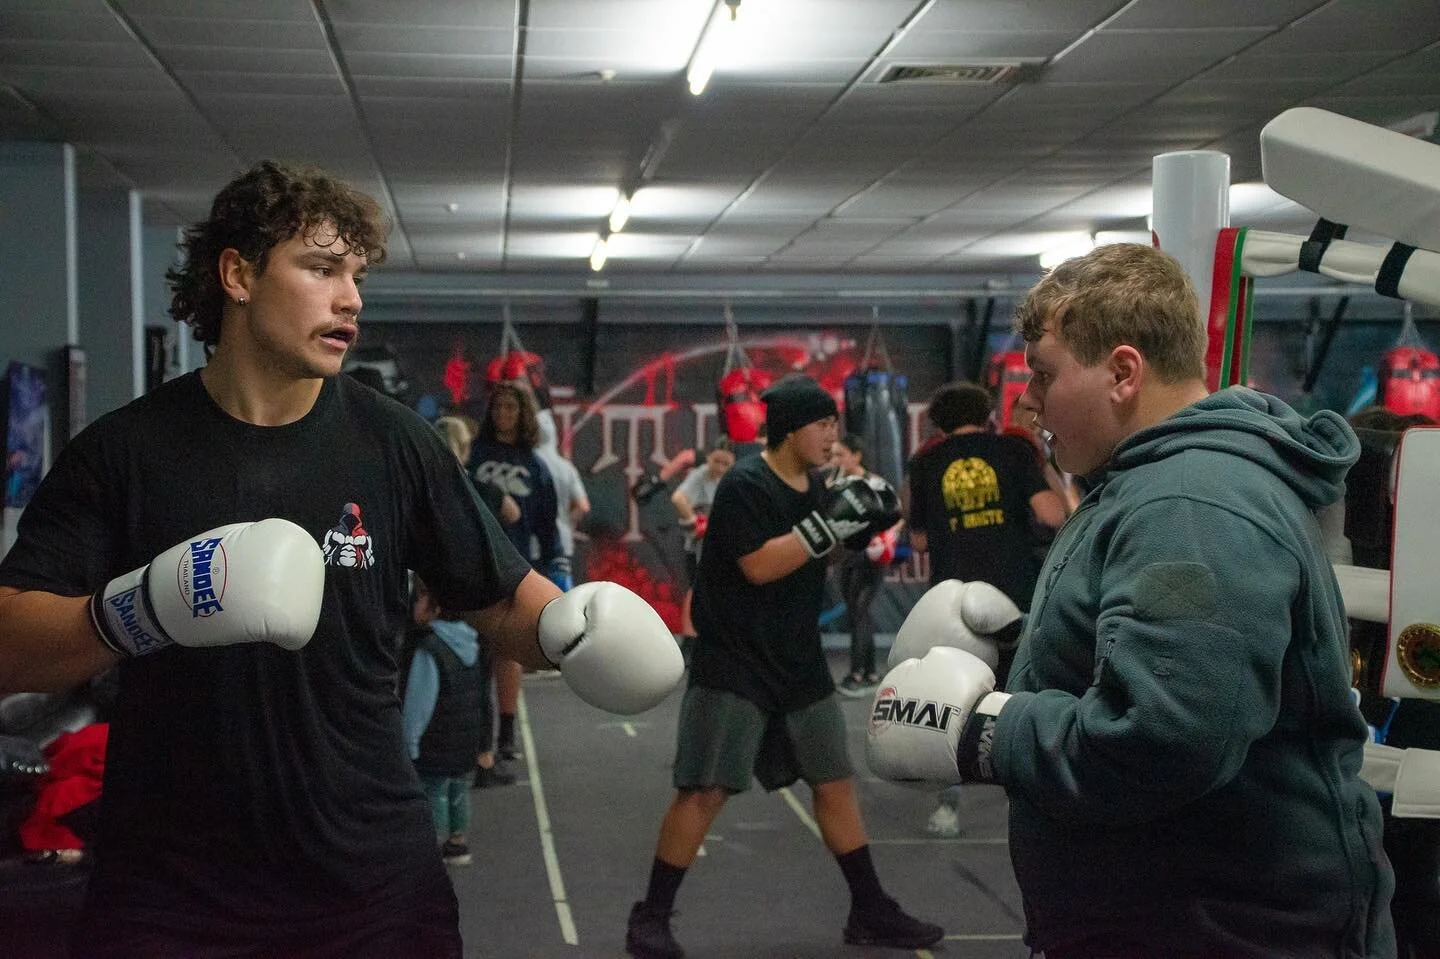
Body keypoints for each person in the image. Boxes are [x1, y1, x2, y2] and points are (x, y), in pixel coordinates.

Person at [0, 159, 682, 958]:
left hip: (371, 878)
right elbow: (12, 644)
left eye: (355, 274)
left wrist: (571, 630)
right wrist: (142, 607)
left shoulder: (394, 442)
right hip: (172, 885)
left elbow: (499, 596)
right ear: (239, 274)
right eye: (321, 268)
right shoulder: (123, 452)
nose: (350, 297)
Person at [867, 242, 1396, 958]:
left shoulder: (1190, 503)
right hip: (1169, 916)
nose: (1027, 400)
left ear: (1122, 372)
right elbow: (1164, 659)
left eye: (1044, 374)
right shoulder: (1149, 484)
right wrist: (1024, 653)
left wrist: (983, 728)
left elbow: (1168, 739)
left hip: (1224, 931)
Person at [625, 375, 942, 959]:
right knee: (704, 790)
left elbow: (827, 553)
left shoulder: (820, 486)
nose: (831, 436)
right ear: (793, 429)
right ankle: (651, 916)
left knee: (835, 784)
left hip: (797, 658)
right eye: (822, 425)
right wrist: (830, 525)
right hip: (736, 659)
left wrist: (866, 521)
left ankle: (870, 909)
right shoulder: (746, 485)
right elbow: (760, 566)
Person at [904, 380, 1065, 835]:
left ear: (937, 422)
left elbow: (916, 539)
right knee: (1022, 689)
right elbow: (1054, 515)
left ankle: (947, 807)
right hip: (1013, 590)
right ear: (987, 412)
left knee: (953, 698)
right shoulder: (1012, 451)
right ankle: (1036, 797)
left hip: (952, 597)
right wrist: (1046, 470)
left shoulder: (927, 462)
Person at [466, 381, 560, 763]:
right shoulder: (476, 455)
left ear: (523, 414)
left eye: (511, 408)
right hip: (472, 560)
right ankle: (475, 734)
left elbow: (546, 524)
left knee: (508, 651)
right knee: (469, 653)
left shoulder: (535, 467)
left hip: (515, 564)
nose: (504, 414)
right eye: (498, 406)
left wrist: (555, 567)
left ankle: (506, 731)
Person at [432, 414, 517, 788]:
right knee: (476, 679)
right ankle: (482, 756)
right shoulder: (476, 488)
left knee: (429, 681)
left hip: (432, 597)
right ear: (465, 449)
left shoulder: (427, 486)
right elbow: (512, 513)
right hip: (471, 593)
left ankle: (431, 756)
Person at [400, 578, 486, 866]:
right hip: (464, 739)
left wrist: (409, 742)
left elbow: (419, 702)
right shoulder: (470, 643)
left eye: (422, 598)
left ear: (436, 608)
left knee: (433, 790)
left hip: (435, 741)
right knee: (458, 788)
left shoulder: (430, 649)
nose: (416, 603)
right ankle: (458, 842)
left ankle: (432, 847)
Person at [828, 433, 901, 696]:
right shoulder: (835, 482)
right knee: (856, 613)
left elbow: (897, 514)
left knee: (860, 611)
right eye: (833, 455)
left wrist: (887, 537)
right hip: (846, 557)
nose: (836, 459)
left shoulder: (875, 483)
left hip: (869, 558)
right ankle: (869, 672)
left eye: (840, 454)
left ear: (856, 455)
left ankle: (857, 672)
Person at [669, 437, 735, 642]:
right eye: (717, 462)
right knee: (697, 588)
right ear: (708, 458)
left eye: (726, 464)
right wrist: (694, 521)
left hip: (724, 544)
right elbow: (678, 498)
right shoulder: (700, 475)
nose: (721, 468)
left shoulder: (733, 478)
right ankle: (691, 638)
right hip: (701, 544)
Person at [534, 409, 591, 592]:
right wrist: (567, 523)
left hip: (531, 545)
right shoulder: (565, 467)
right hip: (561, 542)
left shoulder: (526, 463)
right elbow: (583, 506)